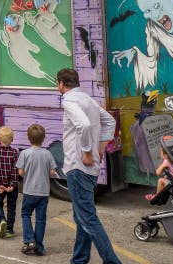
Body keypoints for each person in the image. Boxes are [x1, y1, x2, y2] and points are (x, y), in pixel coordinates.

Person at [56, 68, 121, 264]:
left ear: (61, 83)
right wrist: (100, 148)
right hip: (90, 168)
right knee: (81, 216)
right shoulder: (87, 98)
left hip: (78, 166)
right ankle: (79, 259)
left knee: (88, 218)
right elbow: (109, 121)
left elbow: (83, 125)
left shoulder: (68, 100)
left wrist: (86, 151)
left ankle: (112, 261)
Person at [16, 123, 57, 256]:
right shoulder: (48, 154)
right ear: (43, 138)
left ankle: (29, 240)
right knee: (41, 219)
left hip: (29, 191)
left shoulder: (25, 154)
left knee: (25, 214)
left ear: (28, 138)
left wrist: (27, 173)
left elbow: (21, 172)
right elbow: (52, 173)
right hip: (43, 192)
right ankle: (39, 247)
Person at [0, 126, 18, 240]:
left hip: (0, 185)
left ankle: (2, 220)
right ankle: (10, 229)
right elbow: (15, 171)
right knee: (11, 207)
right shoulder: (15, 153)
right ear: (12, 139)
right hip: (11, 186)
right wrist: (12, 185)